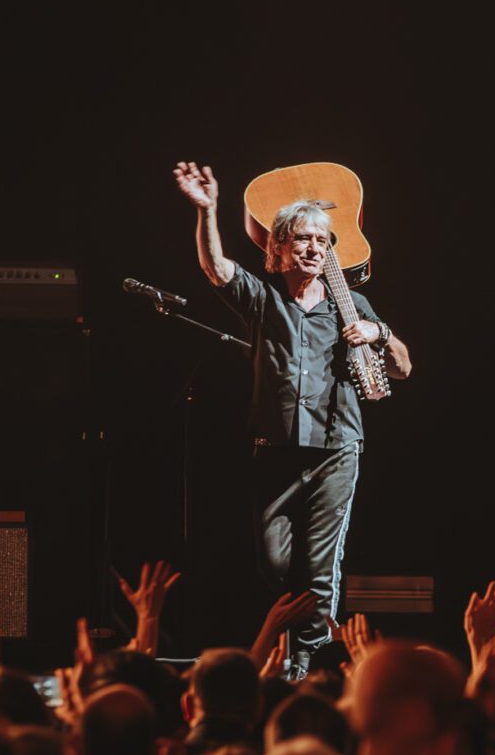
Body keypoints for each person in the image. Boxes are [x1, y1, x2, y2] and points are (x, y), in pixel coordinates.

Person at [174, 161, 411, 680]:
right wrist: (208, 210)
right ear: (277, 250)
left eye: (322, 240)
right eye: (301, 239)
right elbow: (217, 268)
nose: (312, 247)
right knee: (276, 563)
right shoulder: (265, 301)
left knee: (320, 565)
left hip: (336, 451)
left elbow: (403, 365)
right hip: (275, 450)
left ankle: (309, 666)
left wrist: (378, 332)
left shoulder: (352, 307)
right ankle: (298, 651)